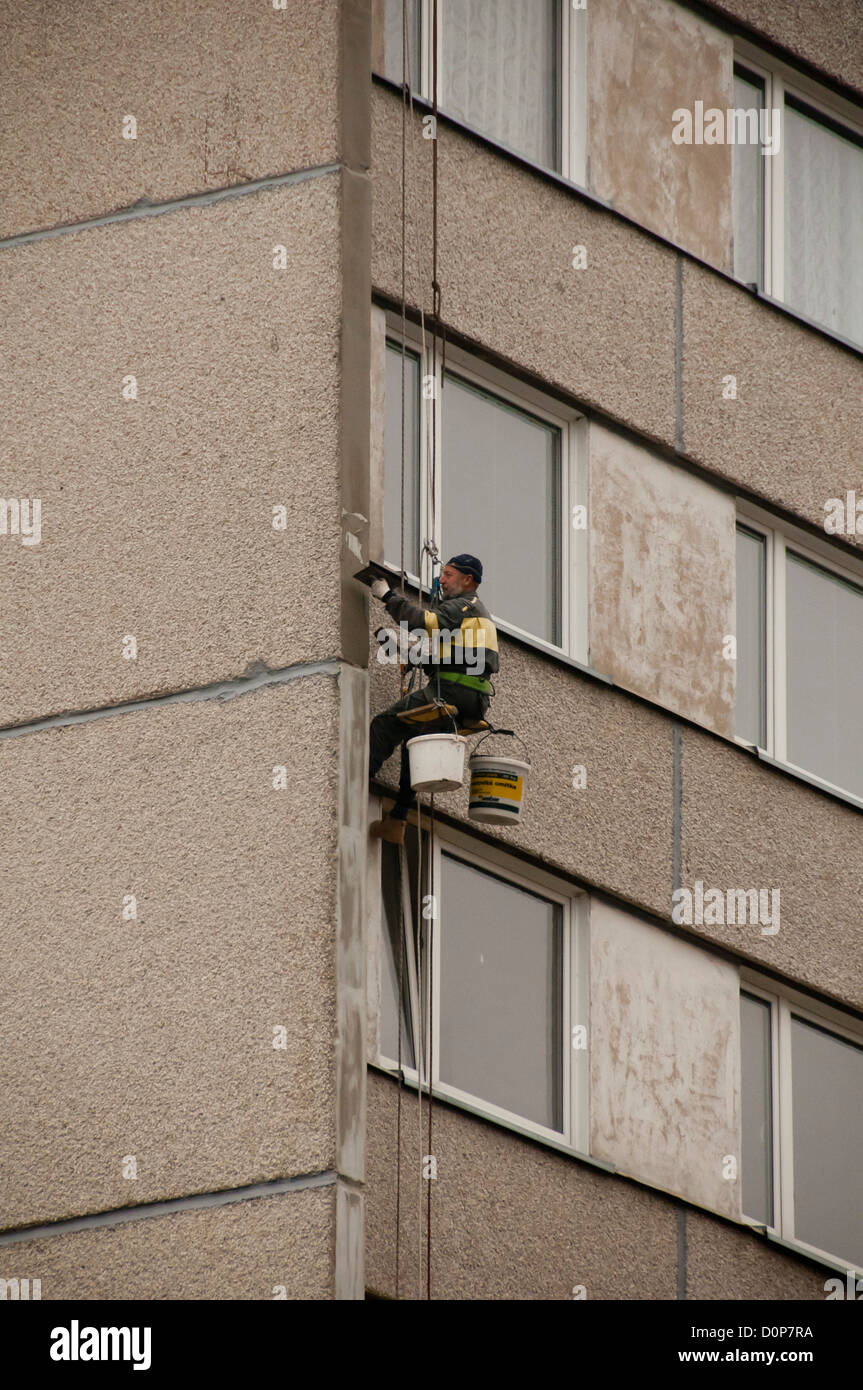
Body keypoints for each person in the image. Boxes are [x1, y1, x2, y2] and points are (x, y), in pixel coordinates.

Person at [365, 554, 498, 844]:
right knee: (414, 744)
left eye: (449, 575)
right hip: (470, 696)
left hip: (454, 690)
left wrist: (387, 595)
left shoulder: (463, 606)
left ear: (468, 580)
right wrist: (400, 649)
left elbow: (425, 622)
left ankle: (357, 783)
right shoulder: (471, 614)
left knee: (384, 724)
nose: (441, 580)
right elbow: (445, 656)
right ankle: (398, 820)